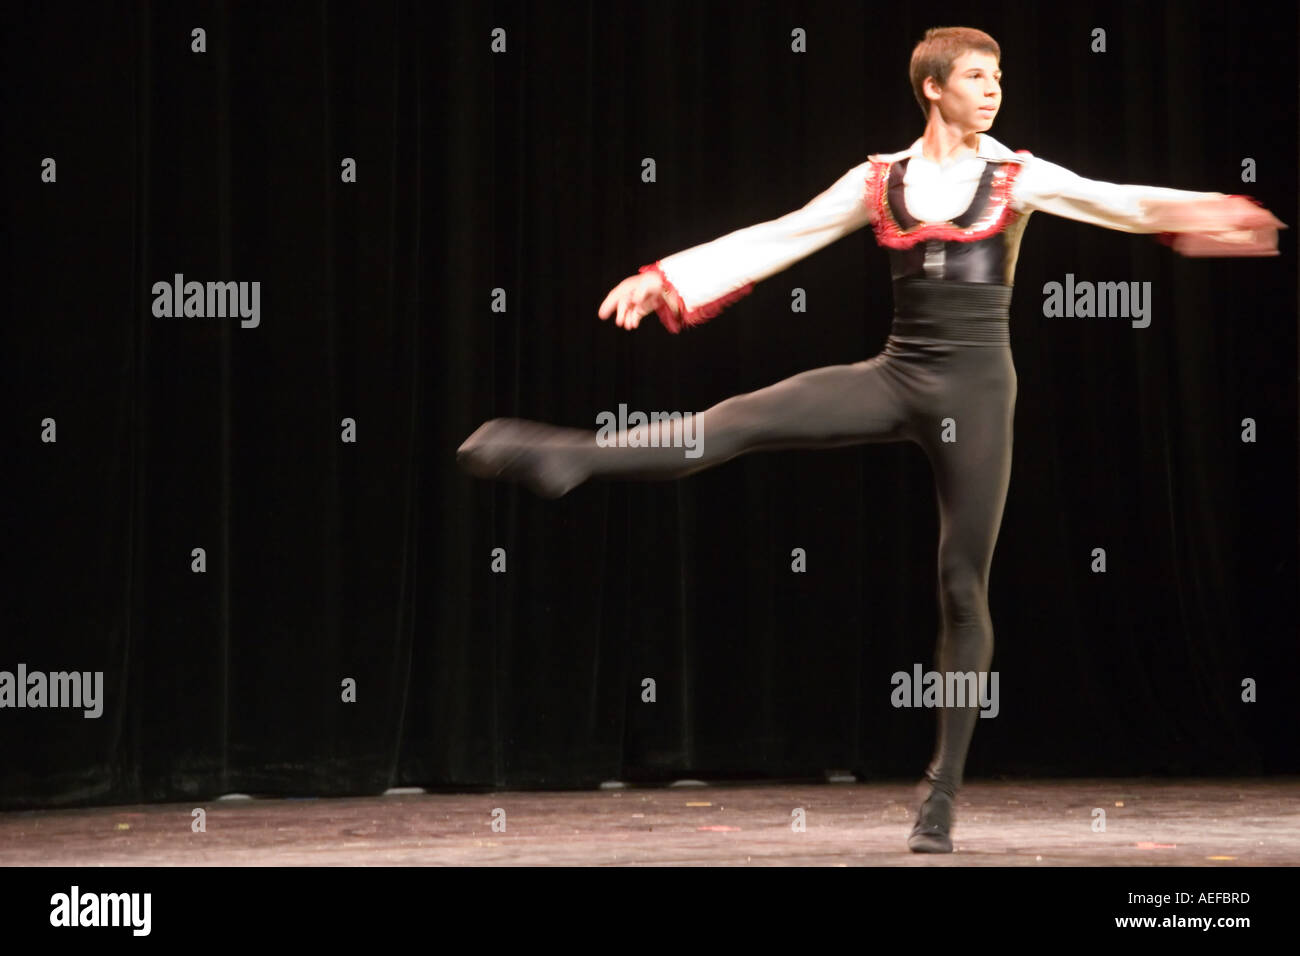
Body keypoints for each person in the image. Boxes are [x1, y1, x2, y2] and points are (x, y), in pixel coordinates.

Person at [456, 26, 1284, 853]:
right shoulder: (877, 180)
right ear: (932, 87)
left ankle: (942, 792)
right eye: (975, 75)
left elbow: (1122, 202)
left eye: (999, 75)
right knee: (733, 423)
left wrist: (1209, 213)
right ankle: (568, 455)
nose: (994, 89)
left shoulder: (1016, 175)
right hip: (896, 376)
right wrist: (666, 277)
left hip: (979, 394)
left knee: (962, 586)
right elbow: (785, 234)